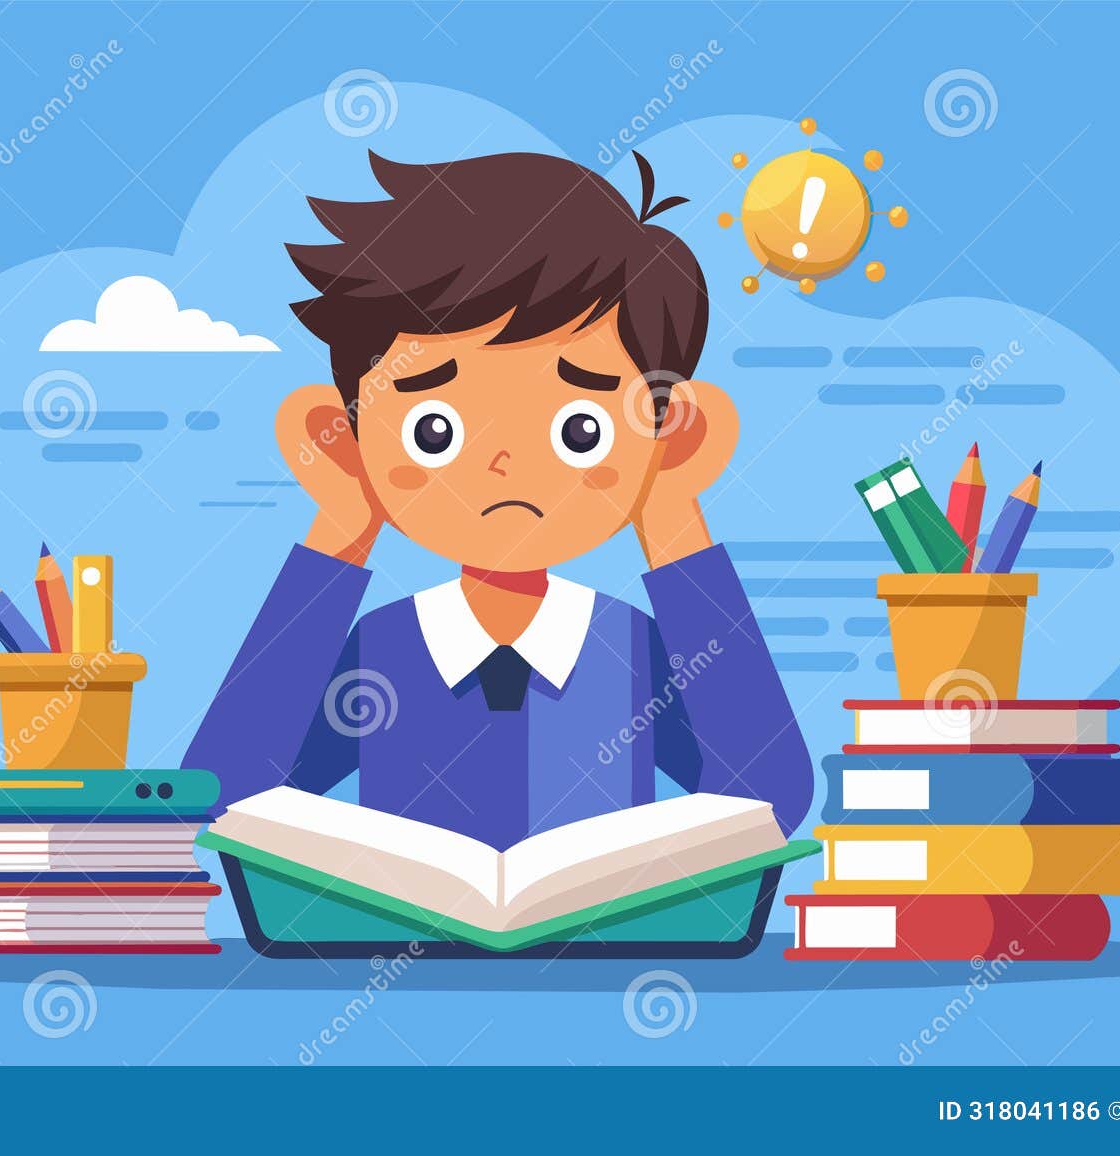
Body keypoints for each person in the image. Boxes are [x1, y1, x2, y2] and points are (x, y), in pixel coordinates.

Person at [184, 150, 811, 850]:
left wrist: (673, 521)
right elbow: (227, 794)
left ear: (676, 437)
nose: (502, 462)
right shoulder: (381, 655)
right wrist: (341, 528)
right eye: (435, 431)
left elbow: (766, 802)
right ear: (340, 440)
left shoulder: (631, 655)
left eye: (580, 430)